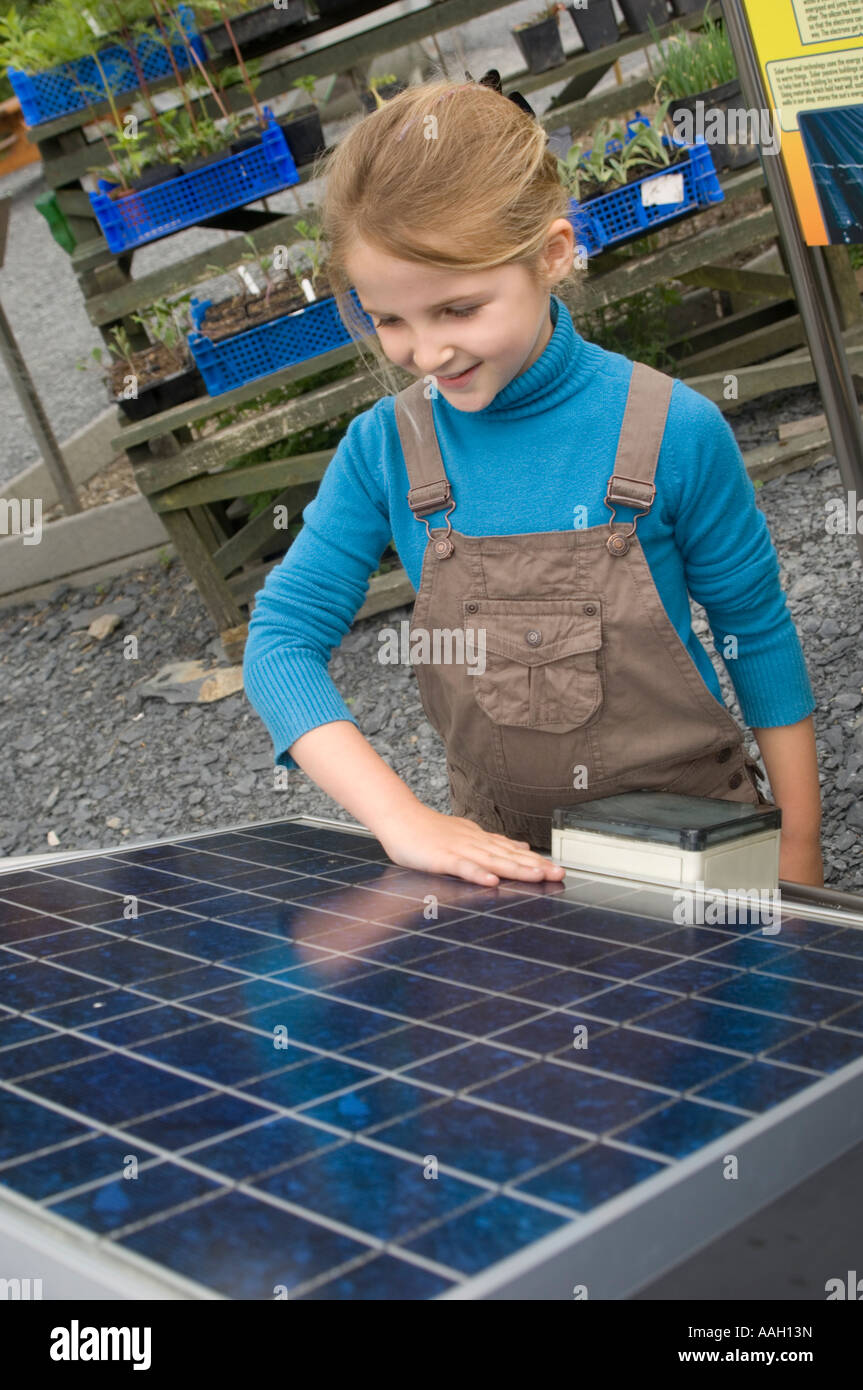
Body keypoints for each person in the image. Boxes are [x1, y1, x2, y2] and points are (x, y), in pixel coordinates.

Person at [243, 77, 823, 888]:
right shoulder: (385, 448)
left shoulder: (675, 429)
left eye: (457, 310)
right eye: (388, 319)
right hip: (502, 873)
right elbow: (279, 640)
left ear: (551, 254)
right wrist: (401, 820)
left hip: (697, 849)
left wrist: (797, 846)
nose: (425, 354)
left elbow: (754, 633)